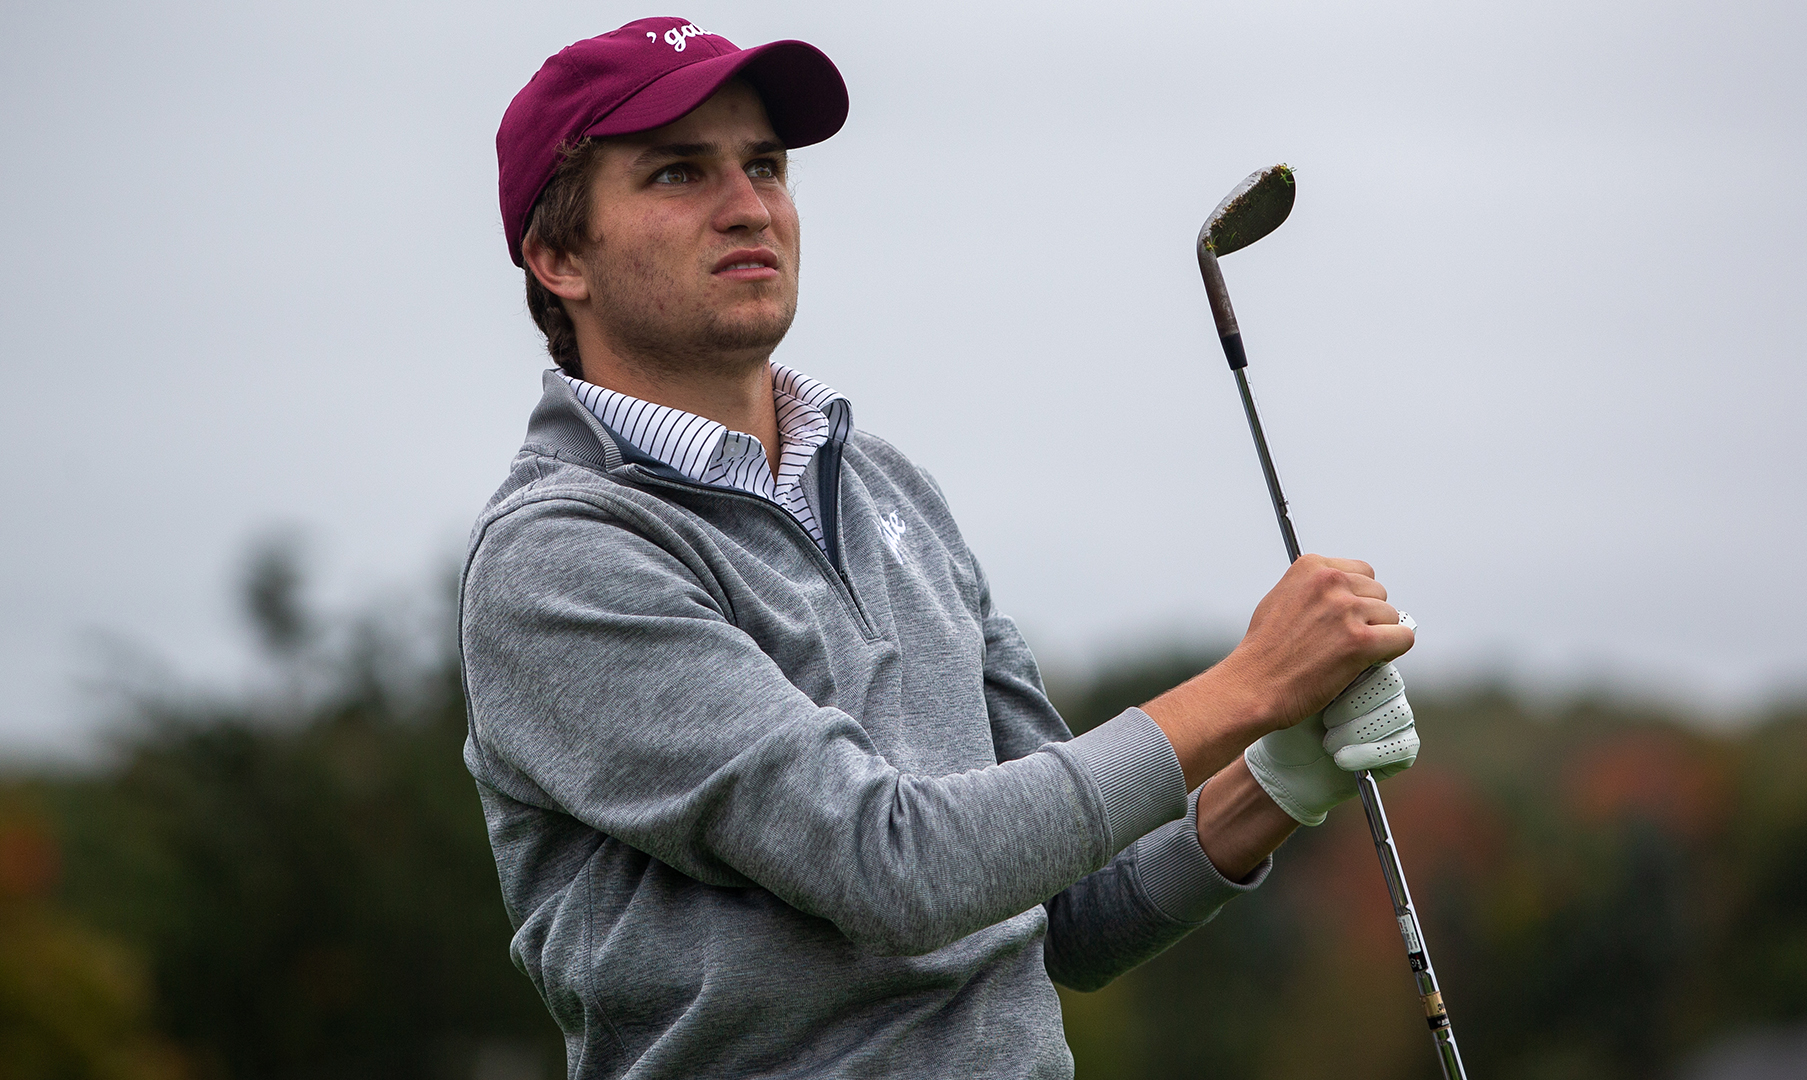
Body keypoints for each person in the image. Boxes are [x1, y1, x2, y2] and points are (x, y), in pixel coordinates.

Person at [462, 17, 1421, 1078]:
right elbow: (895, 868)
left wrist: (1274, 779)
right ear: (558, 257)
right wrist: (1248, 687)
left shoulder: (891, 490)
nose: (749, 207)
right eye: (678, 174)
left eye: (765, 166)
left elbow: (1069, 911)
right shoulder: (559, 558)